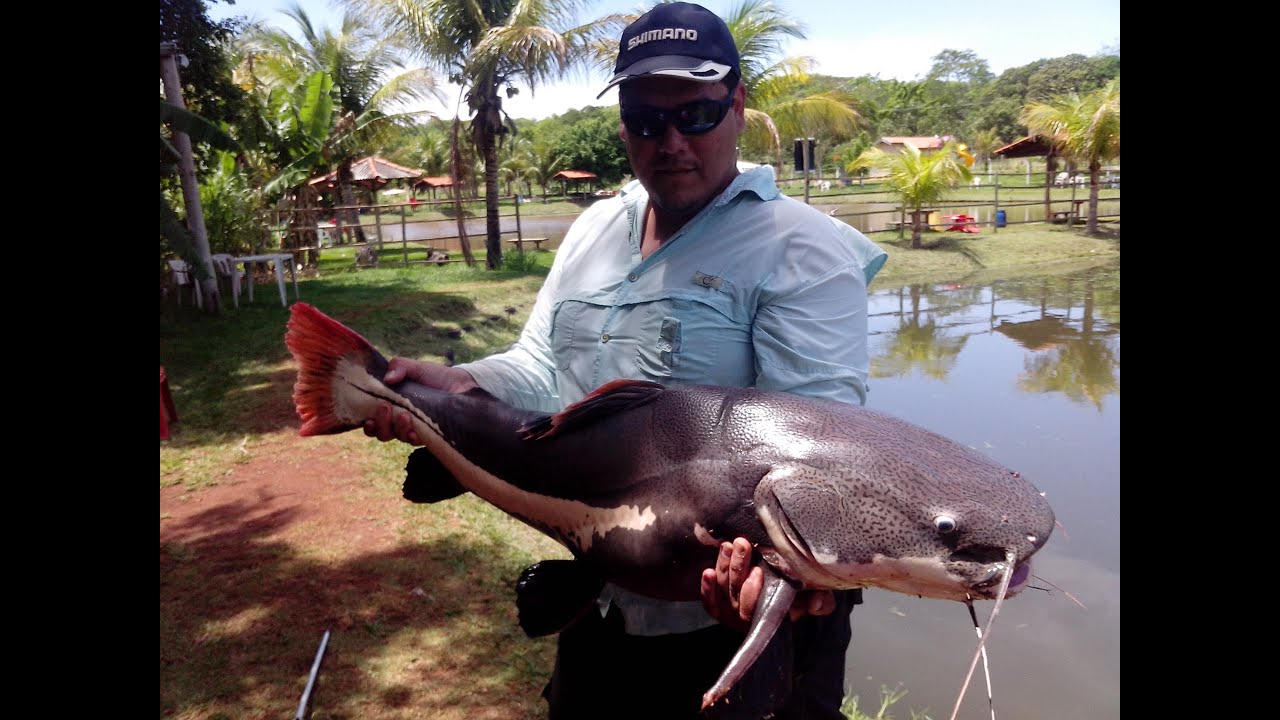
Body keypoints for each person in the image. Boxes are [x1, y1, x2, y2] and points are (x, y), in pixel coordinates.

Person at [364, 3, 887, 718]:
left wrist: (774, 577)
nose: (670, 140)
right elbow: (541, 364)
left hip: (738, 630)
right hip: (599, 606)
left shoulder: (802, 249)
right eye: (647, 120)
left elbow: (815, 454)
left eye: (696, 114)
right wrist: (465, 383)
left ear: (736, 107)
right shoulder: (593, 230)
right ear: (624, 124)